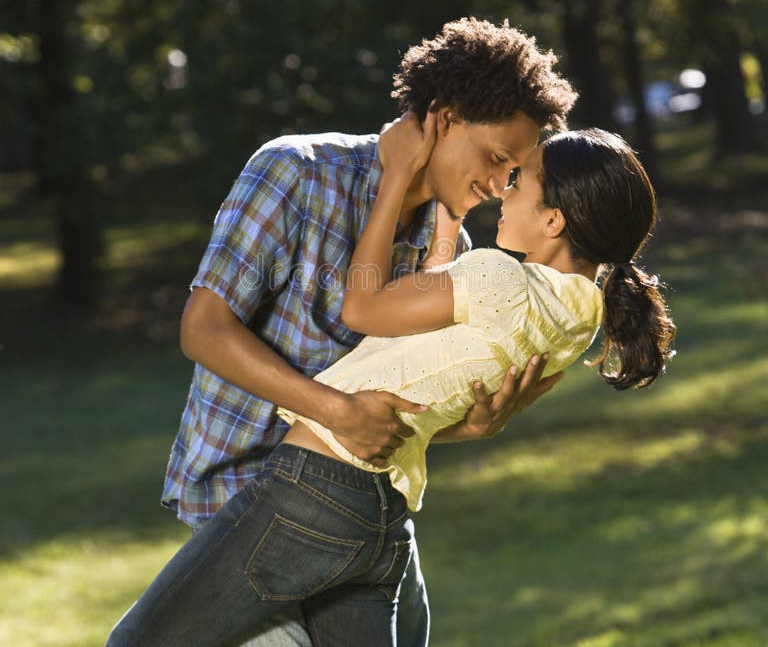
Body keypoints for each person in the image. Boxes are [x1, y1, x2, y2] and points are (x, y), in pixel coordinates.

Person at [106, 121, 676, 647]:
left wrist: (396, 176)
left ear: (554, 221)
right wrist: (449, 231)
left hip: (308, 495)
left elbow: (364, 306)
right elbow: (441, 344)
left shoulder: (499, 276)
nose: (503, 187)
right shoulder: (581, 316)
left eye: (519, 179)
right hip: (381, 518)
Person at [152, 17, 579, 647]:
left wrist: (468, 424)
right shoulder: (296, 172)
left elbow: (400, 399)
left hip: (357, 515)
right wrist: (334, 410)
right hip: (245, 496)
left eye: (511, 172)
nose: (496, 187)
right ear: (446, 115)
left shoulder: (451, 246)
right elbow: (204, 328)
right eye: (495, 159)